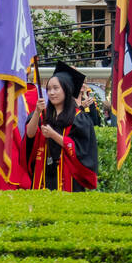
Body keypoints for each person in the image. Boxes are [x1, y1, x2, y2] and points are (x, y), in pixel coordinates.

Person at [24, 62, 98, 192]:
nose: (51, 93)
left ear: (67, 89)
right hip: (43, 173)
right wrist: (36, 112)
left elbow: (82, 151)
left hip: (68, 176)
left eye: (56, 88)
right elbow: (29, 135)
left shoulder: (79, 118)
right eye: (49, 89)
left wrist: (53, 135)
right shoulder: (43, 114)